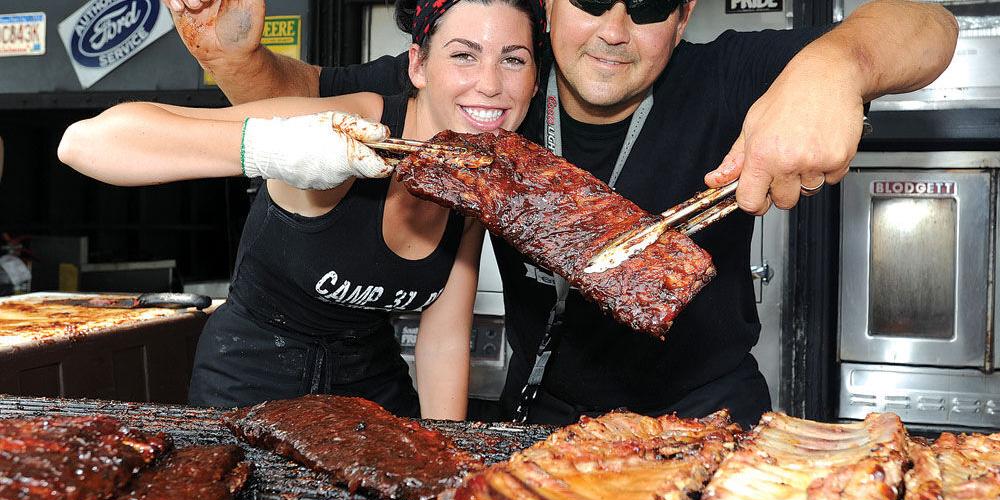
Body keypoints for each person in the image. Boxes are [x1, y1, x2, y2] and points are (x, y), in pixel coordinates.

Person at [165, 0, 958, 428]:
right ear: (547, 10)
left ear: (681, 19)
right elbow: (306, 101)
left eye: (647, 4)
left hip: (708, 408)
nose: (615, 29)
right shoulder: (492, 90)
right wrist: (233, 55)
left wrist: (833, 66)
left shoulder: (722, 76)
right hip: (552, 416)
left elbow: (929, 25)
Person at [59, 0, 544, 420]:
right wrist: (274, 148)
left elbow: (443, 342)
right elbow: (86, 144)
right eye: (464, 55)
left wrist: (447, 453)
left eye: (514, 60)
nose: (490, 84)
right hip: (248, 381)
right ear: (418, 65)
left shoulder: (474, 179)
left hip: (371, 392)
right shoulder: (348, 125)